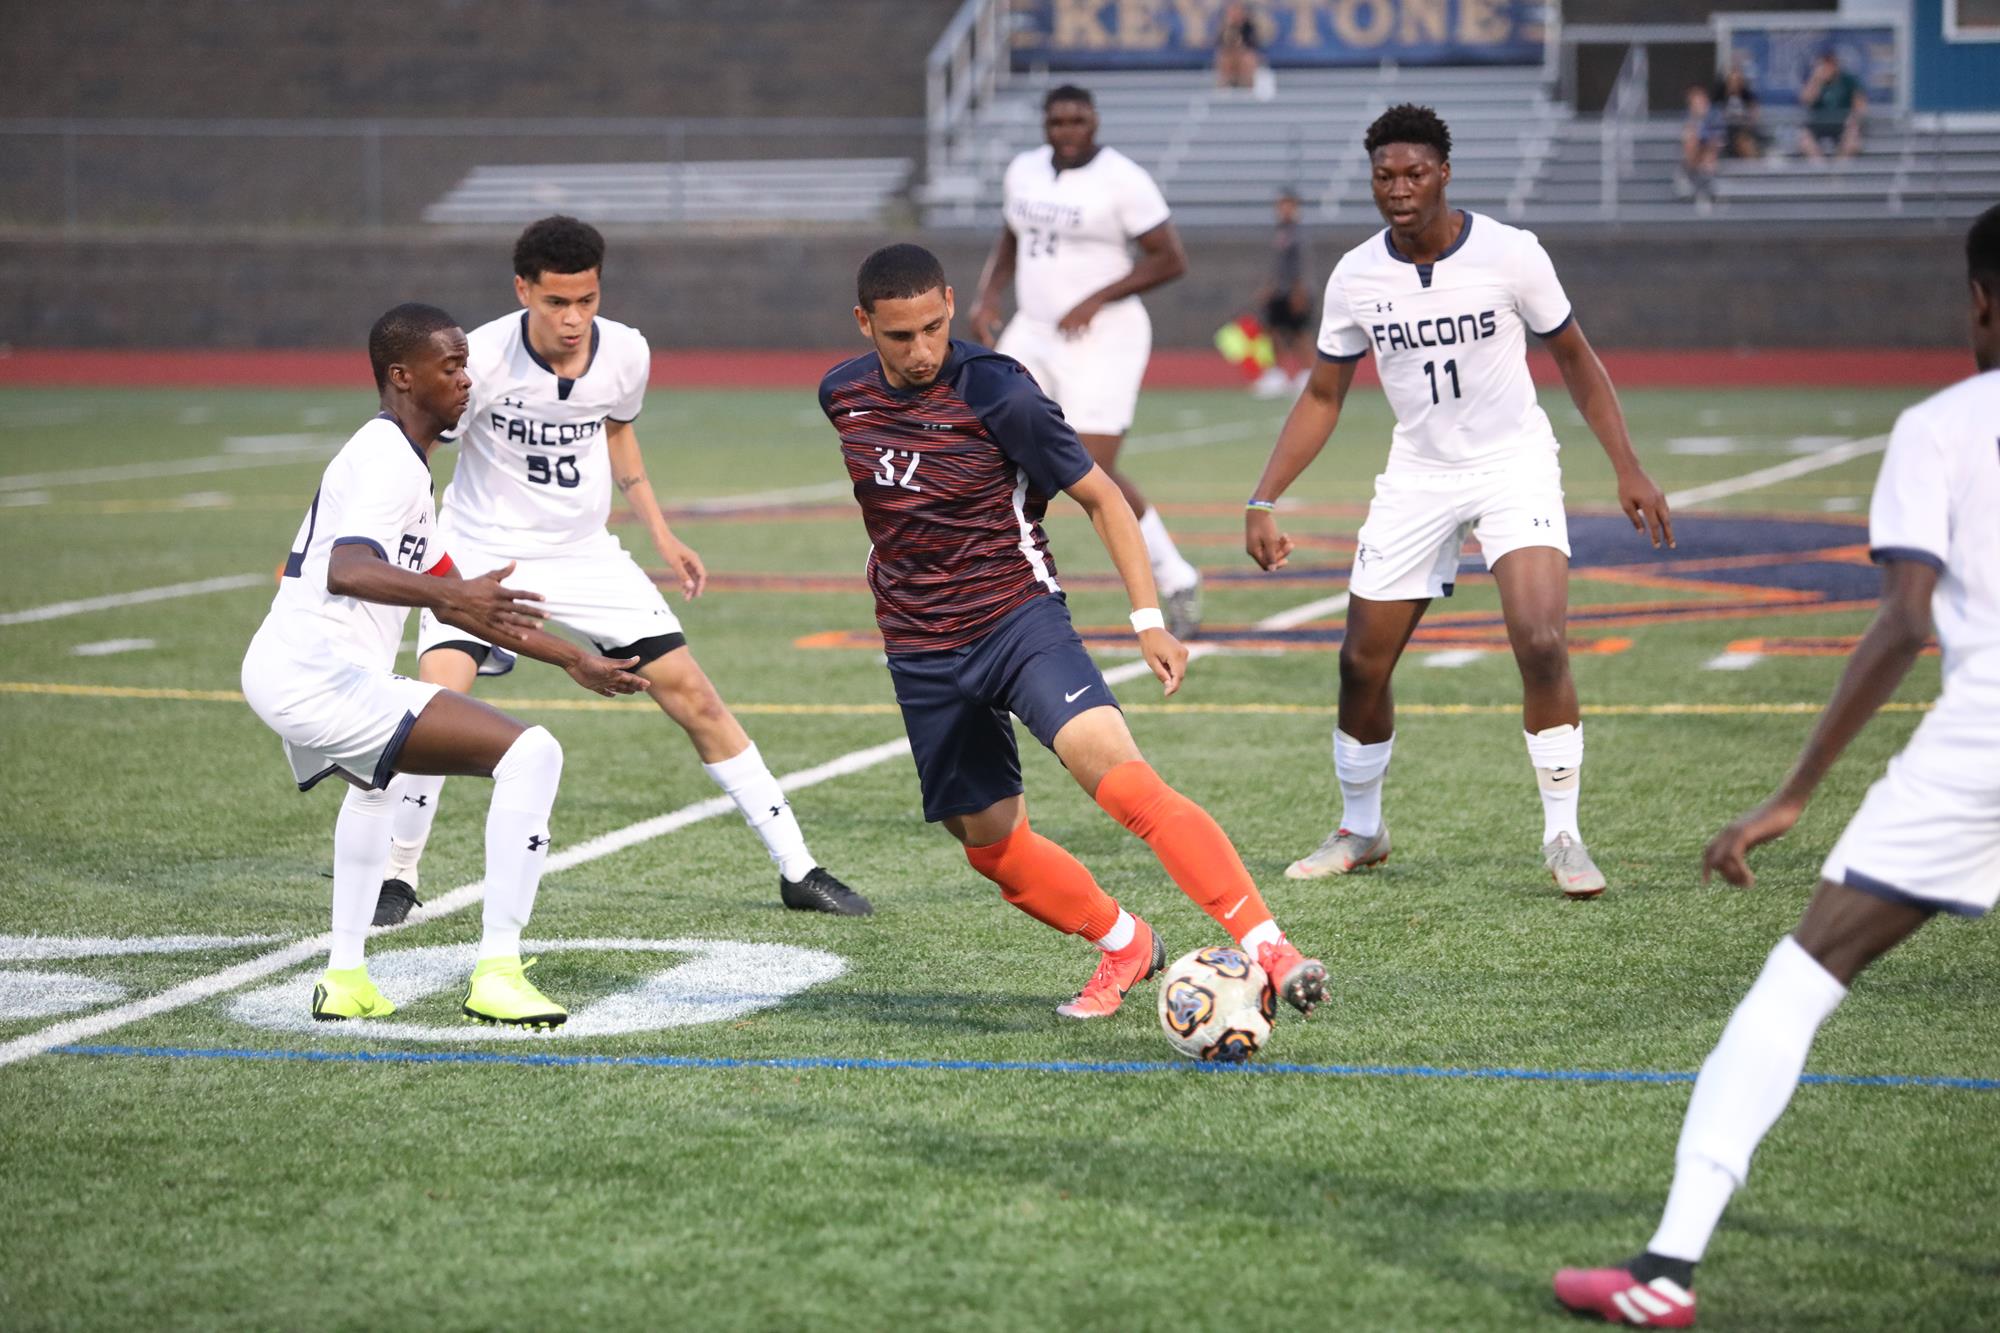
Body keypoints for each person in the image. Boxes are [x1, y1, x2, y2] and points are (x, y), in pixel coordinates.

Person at [1552, 201, 2000, 1329]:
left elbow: (1902, 619)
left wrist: (1793, 790)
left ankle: (1665, 1270)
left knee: (1800, 978)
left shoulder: (1943, 425)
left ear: (1979, 302)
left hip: (1981, 742)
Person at [824, 243, 1328, 1020]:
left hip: (1017, 621)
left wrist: (1148, 620)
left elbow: (1104, 499)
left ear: (952, 305)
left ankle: (1271, 947)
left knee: (1125, 782)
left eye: (933, 327)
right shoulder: (843, 396)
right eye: (899, 336)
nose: (921, 350)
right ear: (864, 323)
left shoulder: (999, 390)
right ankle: (1125, 941)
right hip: (920, 647)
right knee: (993, 849)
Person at [380, 216, 871, 923]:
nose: (574, 318)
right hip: (484, 549)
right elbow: (419, 451)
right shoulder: (478, 357)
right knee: (436, 708)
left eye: (587, 299)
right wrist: (431, 564)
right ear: (523, 290)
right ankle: (399, 876)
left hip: (586, 553)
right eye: (556, 302)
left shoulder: (628, 352)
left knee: (695, 696)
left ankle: (799, 866)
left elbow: (618, 432)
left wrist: (663, 534)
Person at [1244, 105, 1675, 897]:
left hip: (1513, 465)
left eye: (1414, 173)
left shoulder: (1513, 254)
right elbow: (1322, 394)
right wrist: (1263, 496)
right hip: (1418, 474)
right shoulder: (1355, 275)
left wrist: (1628, 466)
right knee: (1359, 663)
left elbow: (1577, 360)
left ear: (1444, 172)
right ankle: (1362, 827)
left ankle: (1564, 834)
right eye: (1384, 176)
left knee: (1541, 640)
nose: (1399, 189)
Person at [241, 303, 650, 1027]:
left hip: (290, 669)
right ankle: (497, 971)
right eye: (452, 366)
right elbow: (349, 569)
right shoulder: (384, 461)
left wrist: (572, 660)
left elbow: (470, 608)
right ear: (402, 376)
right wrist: (451, 590)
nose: (468, 379)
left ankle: (344, 978)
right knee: (533, 753)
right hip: (316, 675)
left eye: (468, 364)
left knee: (376, 788)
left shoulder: (405, 466)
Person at [968, 86, 1203, 639]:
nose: (1067, 130)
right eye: (1057, 121)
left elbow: (1171, 258)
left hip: (1105, 336)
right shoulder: (1024, 170)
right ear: (1045, 125)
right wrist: (989, 295)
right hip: (1034, 328)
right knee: (978, 447)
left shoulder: (1124, 179)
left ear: (1095, 121)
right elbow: (1011, 235)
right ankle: (982, 599)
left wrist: (1099, 296)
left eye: (1077, 120)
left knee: (1088, 468)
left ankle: (1174, 577)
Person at [1251, 189, 1315, 397]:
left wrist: (1299, 291)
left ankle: (1307, 373)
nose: (1283, 209)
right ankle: (1278, 373)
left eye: (1287, 204)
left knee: (1299, 333)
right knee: (1273, 331)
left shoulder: (1299, 233)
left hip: (1294, 291)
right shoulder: (1280, 231)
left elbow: (1302, 265)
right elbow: (1277, 266)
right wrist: (1269, 288)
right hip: (1279, 291)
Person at [1799, 47, 1865, 163]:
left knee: (1853, 137)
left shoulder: (1847, 80)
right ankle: (1820, 168)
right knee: (1804, 138)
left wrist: (1854, 117)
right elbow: (1806, 100)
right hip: (1819, 122)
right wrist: (1816, 80)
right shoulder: (1814, 80)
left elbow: (1861, 105)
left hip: (1842, 122)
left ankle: (1839, 171)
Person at [1678, 86, 1723, 213]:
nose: (1697, 104)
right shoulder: (1688, 118)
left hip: (1713, 150)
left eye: (1700, 101)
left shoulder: (1714, 115)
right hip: (1695, 153)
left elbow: (1717, 137)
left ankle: (1699, 190)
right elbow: (1686, 138)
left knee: (1709, 153)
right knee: (1691, 141)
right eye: (1694, 102)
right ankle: (1700, 189)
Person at [1711, 62, 1763, 161]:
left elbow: (1754, 114)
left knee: (1744, 140)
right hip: (1724, 131)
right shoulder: (1719, 96)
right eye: (1732, 80)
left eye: (1737, 80)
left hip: (1743, 130)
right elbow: (1715, 116)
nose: (1734, 83)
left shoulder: (1747, 96)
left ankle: (1754, 165)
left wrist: (1745, 119)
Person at [1213, 1, 1262, 91]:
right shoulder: (1224, 27)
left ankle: (1247, 90)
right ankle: (1224, 91)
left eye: (1237, 10)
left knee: (1248, 59)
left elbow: (1253, 45)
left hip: (1244, 57)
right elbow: (1222, 44)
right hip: (1229, 57)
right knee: (1225, 59)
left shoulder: (1249, 27)